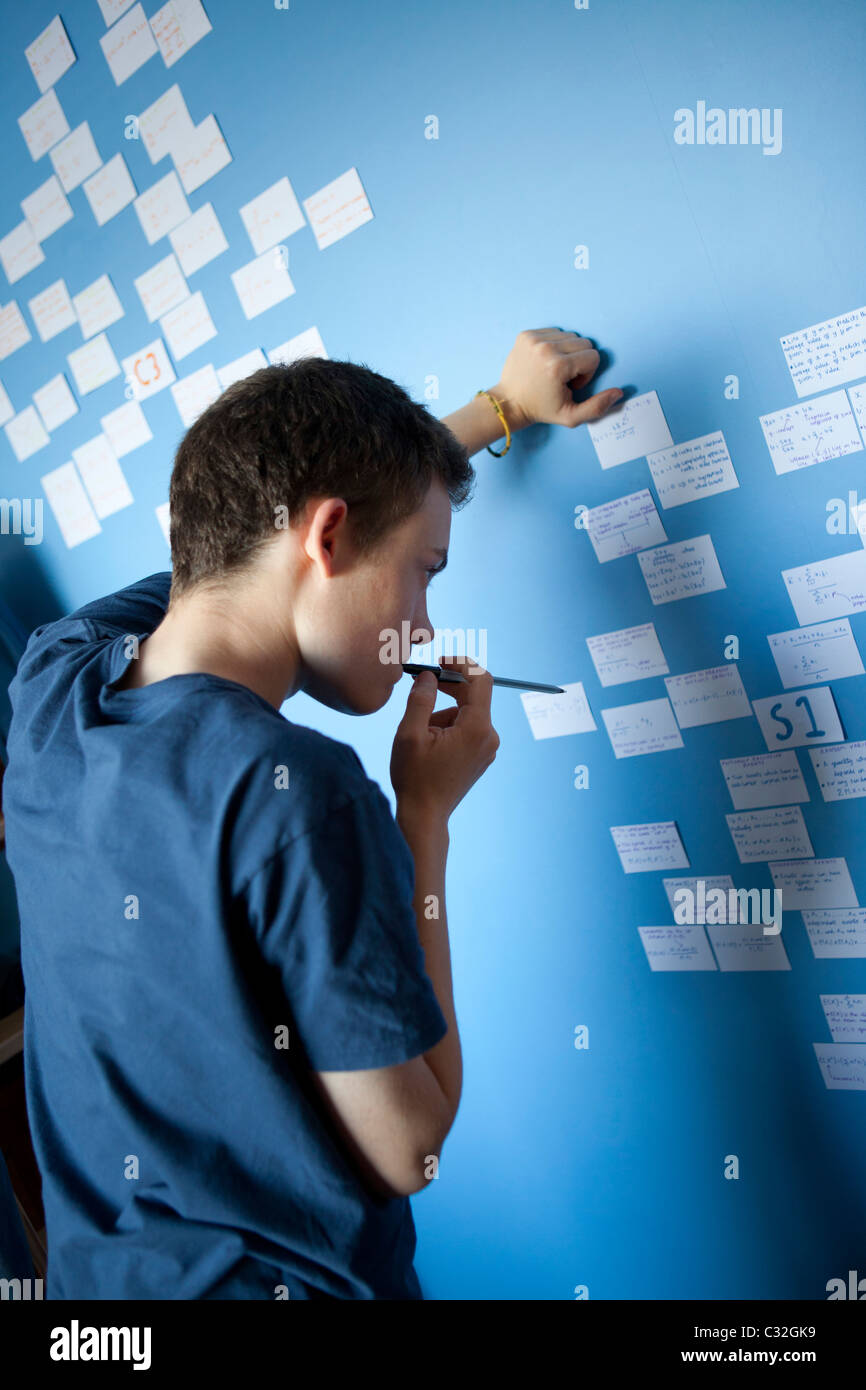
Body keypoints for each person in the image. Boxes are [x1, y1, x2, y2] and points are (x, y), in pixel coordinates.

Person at [2, 329, 621, 1300]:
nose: (421, 626)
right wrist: (425, 817)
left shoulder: (54, 677)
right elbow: (407, 1148)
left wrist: (497, 407)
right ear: (326, 536)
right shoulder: (303, 790)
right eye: (424, 570)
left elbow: (235, 557)